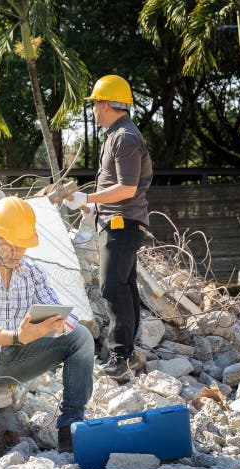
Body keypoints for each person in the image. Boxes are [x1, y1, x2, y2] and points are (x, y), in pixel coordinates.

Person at [0, 196, 95, 456]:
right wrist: (17, 337)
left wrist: (55, 324)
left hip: (13, 362)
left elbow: (59, 311)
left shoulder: (32, 272)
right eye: (10, 246)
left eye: (23, 246)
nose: (17, 254)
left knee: (81, 337)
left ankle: (71, 427)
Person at [64, 75, 153, 381]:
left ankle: (121, 357)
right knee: (124, 285)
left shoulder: (125, 138)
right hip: (116, 220)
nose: (93, 110)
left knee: (112, 286)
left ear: (105, 104)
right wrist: (89, 205)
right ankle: (129, 353)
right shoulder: (117, 135)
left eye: (95, 104)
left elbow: (126, 189)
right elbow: (119, 189)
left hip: (122, 223)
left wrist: (88, 196)